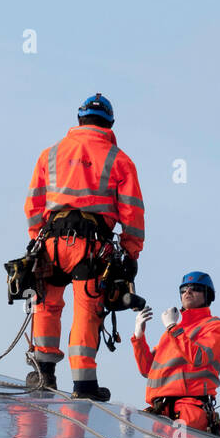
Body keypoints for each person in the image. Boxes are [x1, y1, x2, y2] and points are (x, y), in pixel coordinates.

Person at [22, 92, 145, 400]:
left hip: (50, 241)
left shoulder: (50, 153)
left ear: (78, 120)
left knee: (46, 304)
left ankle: (43, 374)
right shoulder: (120, 160)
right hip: (90, 246)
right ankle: (84, 384)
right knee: (87, 310)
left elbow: (34, 203)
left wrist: (37, 238)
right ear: (110, 124)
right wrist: (130, 252)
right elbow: (132, 211)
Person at [131, 271, 220, 434]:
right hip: (159, 410)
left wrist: (172, 328)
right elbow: (147, 370)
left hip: (189, 411)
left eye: (195, 288)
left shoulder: (214, 326)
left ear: (207, 295)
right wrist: (139, 337)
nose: (188, 292)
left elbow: (199, 357)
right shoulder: (175, 331)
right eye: (183, 289)